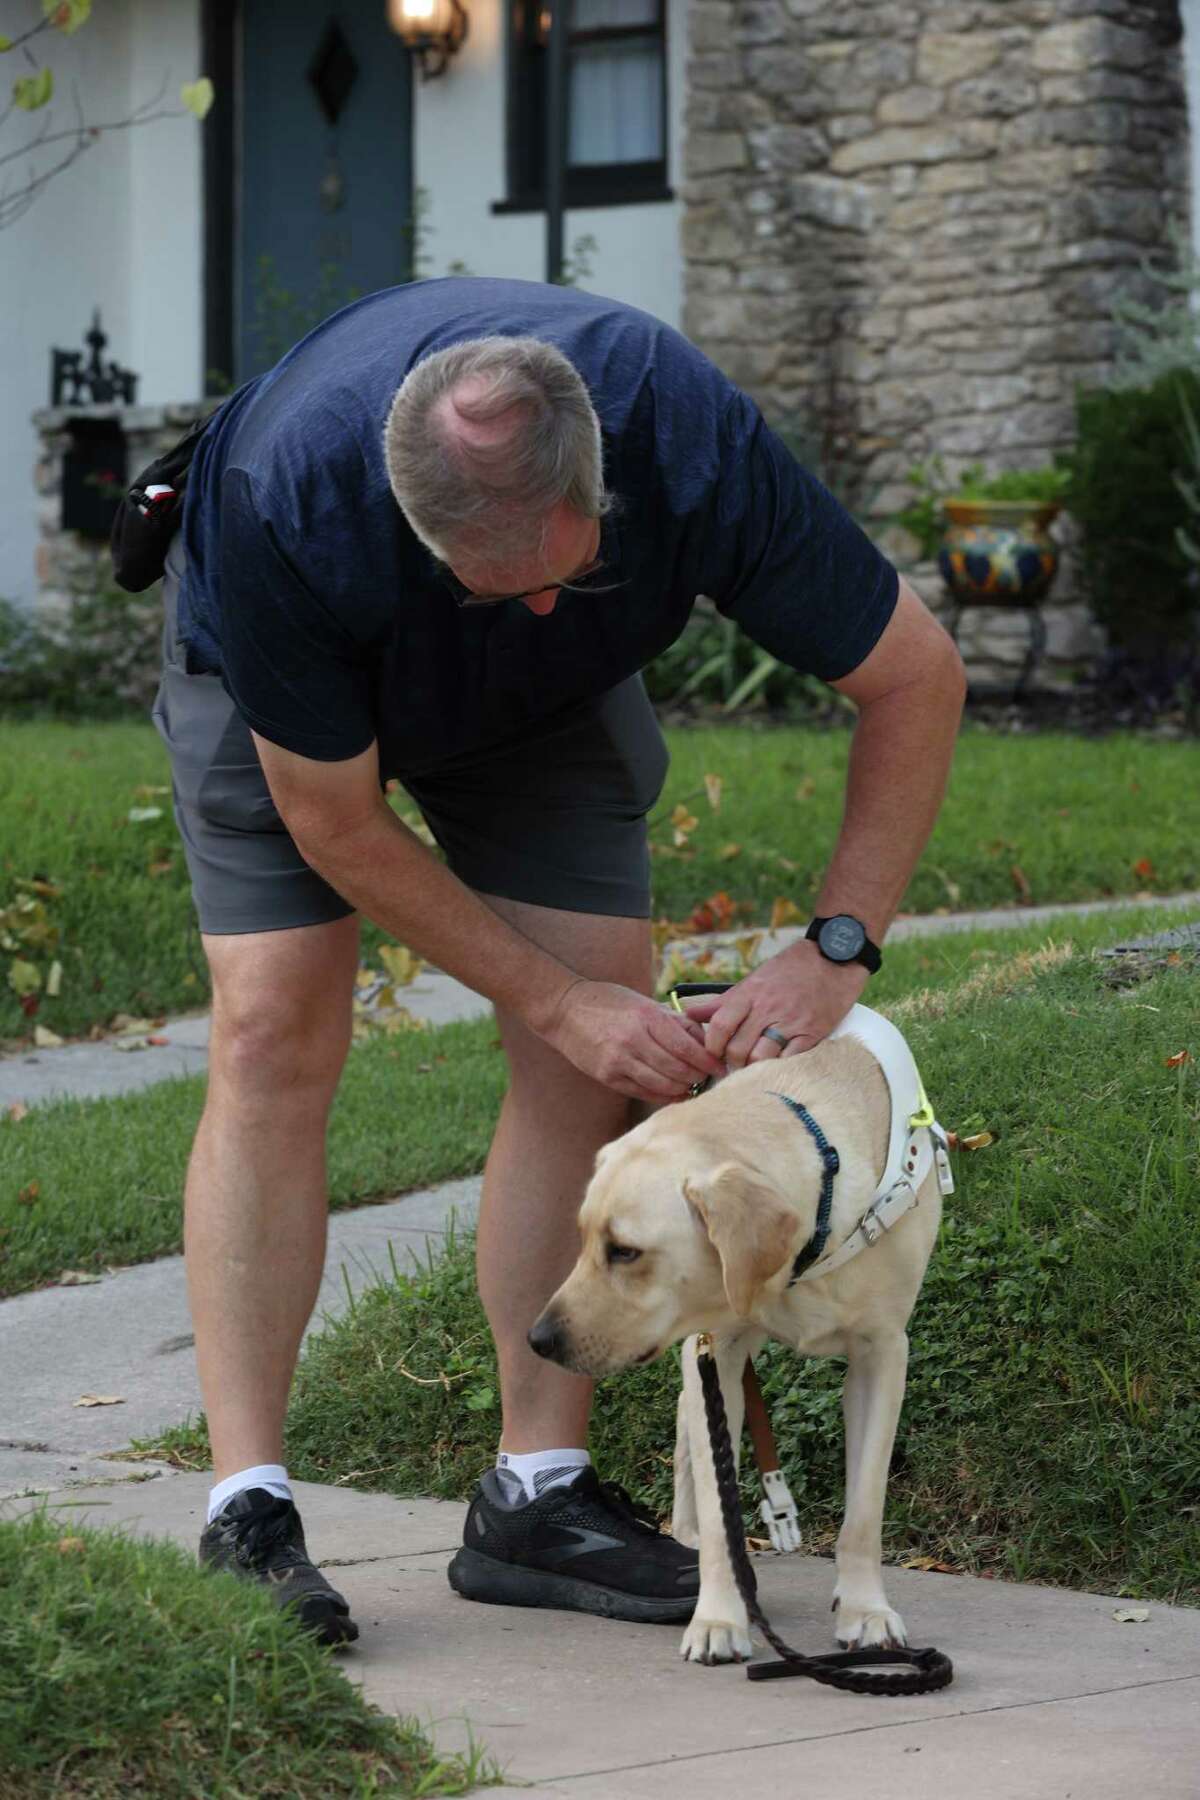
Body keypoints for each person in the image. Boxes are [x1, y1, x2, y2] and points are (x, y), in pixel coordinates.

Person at [154, 277, 965, 1646]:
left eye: (563, 574)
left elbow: (916, 674)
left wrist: (838, 948)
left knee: (594, 1061)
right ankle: (249, 1504)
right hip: (290, 709)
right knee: (270, 1029)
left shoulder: (681, 433)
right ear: (413, 525)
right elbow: (334, 820)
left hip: (543, 722)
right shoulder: (288, 502)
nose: (533, 607)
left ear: (606, 485)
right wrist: (549, 993)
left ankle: (539, 1492)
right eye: (494, 585)